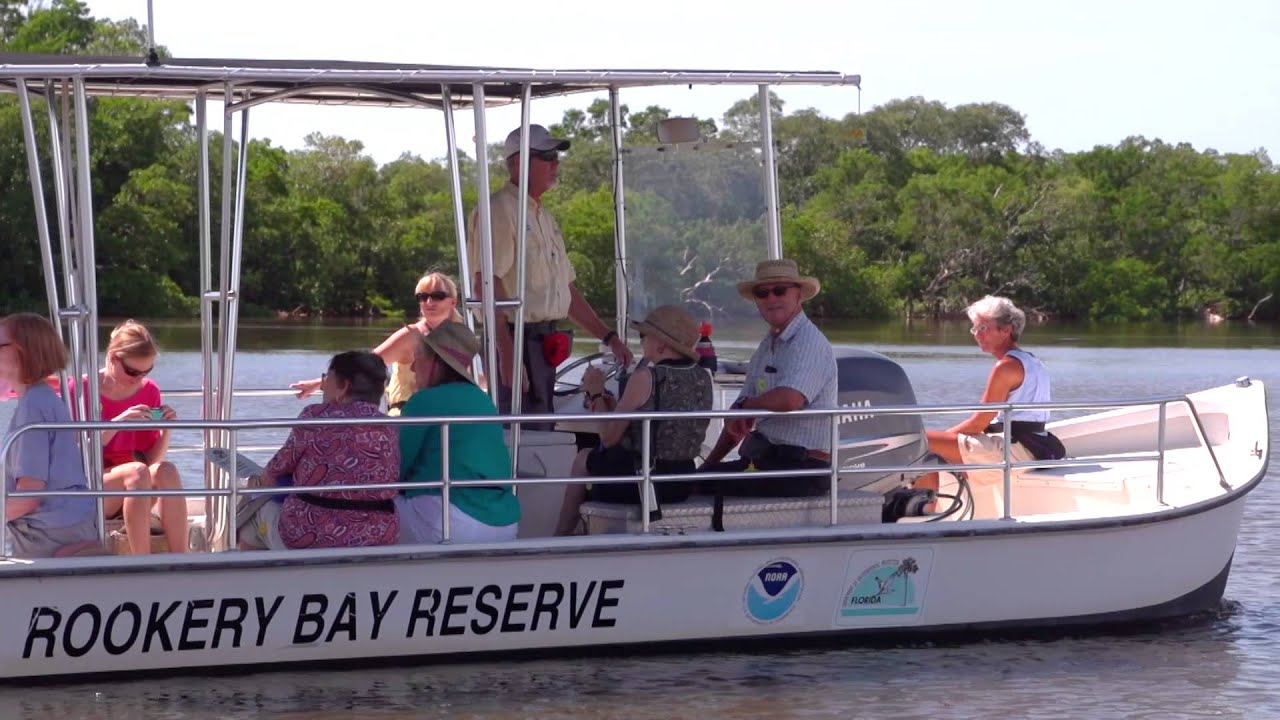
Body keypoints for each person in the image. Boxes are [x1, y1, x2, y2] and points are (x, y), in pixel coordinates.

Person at [467, 124, 633, 427]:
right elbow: (487, 284)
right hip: (516, 340)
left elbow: (565, 292)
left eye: (555, 157)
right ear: (518, 162)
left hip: (543, 343)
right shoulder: (500, 210)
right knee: (519, 432)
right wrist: (508, 354)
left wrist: (609, 337)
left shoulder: (543, 216)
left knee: (540, 427)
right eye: (547, 156)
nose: (555, 164)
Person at [554, 305, 713, 535]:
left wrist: (596, 392)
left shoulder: (645, 377)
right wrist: (609, 405)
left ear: (660, 343)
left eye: (643, 336)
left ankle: (560, 535)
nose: (641, 342)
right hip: (682, 480)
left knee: (583, 458)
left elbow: (609, 438)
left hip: (645, 484)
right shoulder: (703, 376)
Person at [701, 259, 838, 497]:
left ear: (798, 295)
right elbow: (738, 422)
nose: (771, 298)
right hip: (767, 463)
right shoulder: (766, 348)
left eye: (780, 290)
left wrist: (748, 406)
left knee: (697, 487)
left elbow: (790, 400)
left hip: (802, 469)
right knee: (693, 482)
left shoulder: (809, 342)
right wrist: (707, 466)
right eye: (762, 293)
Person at [240, 350, 400, 550]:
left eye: (327, 379)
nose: (323, 386)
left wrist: (256, 482)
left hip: (312, 535)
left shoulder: (316, 416)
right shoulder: (390, 427)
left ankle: (256, 579)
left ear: (343, 386)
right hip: (378, 535)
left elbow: (276, 469)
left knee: (253, 514)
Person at [919, 295, 1064, 495]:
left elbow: (978, 423)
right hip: (1032, 447)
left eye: (983, 328)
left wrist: (946, 436)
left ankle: (924, 513)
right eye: (974, 329)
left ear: (1006, 330)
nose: (977, 335)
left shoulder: (1005, 367)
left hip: (1014, 451)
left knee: (918, 442)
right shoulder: (1033, 361)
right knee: (932, 446)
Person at [396, 322, 520, 544]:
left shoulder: (424, 401)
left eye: (418, 358)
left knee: (361, 505)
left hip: (449, 522)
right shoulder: (483, 401)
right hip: (504, 524)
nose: (413, 368)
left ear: (435, 362)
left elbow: (393, 467)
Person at [291, 271, 465, 415]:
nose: (429, 302)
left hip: (448, 420)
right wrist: (319, 383)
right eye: (423, 296)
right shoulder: (411, 335)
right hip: (409, 418)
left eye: (437, 296)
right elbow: (364, 364)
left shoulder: (461, 338)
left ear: (453, 302)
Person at [1, 313, 99, 558]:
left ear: (24, 351)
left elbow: (29, 497)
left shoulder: (33, 407)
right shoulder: (42, 399)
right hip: (68, 523)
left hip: (49, 534)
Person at [95, 320, 187, 554]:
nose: (138, 378)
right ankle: (141, 561)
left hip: (137, 484)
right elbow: (74, 455)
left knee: (166, 470)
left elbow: (150, 462)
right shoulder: (85, 388)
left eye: (146, 371)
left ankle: (182, 557)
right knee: (136, 472)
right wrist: (117, 424)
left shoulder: (149, 391)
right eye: (132, 371)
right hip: (94, 487)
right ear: (114, 357)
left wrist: (167, 430)